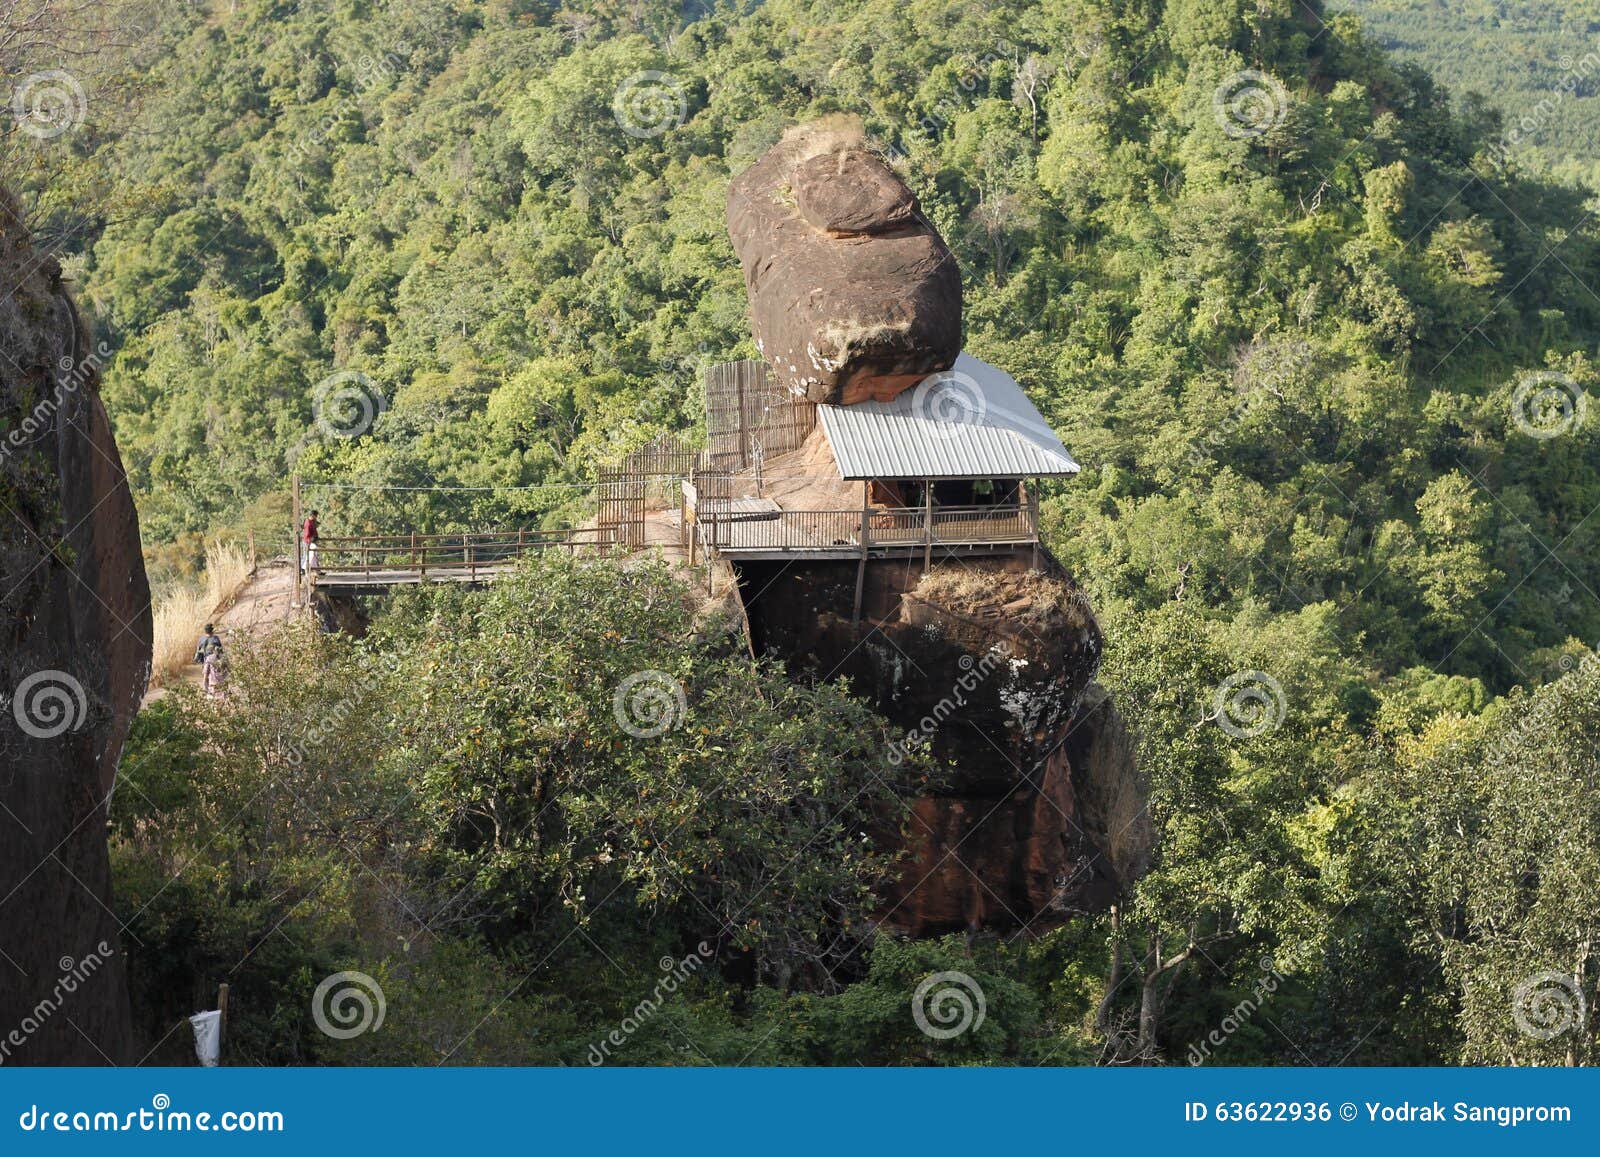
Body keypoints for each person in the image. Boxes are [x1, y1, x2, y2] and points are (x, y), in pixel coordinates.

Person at [194, 623, 226, 699]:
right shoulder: (216, 639)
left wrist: (198, 660)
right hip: (215, 660)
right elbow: (220, 651)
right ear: (212, 630)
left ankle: (207, 692)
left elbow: (198, 651)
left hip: (206, 660)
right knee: (216, 676)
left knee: (206, 676)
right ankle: (216, 692)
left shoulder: (201, 639)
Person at [302, 509, 320, 573]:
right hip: (308, 541)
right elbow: (307, 534)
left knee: (314, 555)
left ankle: (317, 569)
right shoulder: (308, 523)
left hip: (311, 541)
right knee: (307, 555)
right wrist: (311, 540)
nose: (316, 517)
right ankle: (303, 569)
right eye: (316, 516)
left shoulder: (311, 521)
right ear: (313, 515)